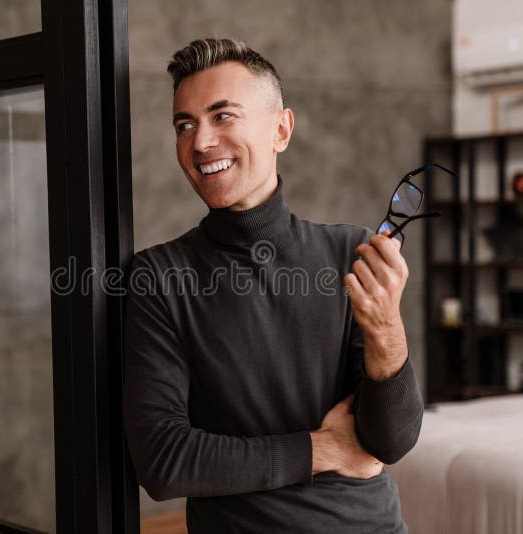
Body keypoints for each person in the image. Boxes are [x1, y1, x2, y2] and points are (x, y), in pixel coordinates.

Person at [123, 38, 423, 533]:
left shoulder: (350, 253)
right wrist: (325, 448)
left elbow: (391, 442)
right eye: (185, 124)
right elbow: (165, 461)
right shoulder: (159, 278)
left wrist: (387, 330)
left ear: (281, 129)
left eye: (223, 116)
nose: (200, 142)